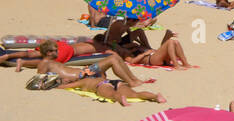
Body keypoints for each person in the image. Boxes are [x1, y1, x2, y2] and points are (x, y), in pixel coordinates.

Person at [10, 41, 150, 86]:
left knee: (116, 58)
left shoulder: (50, 61)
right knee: (113, 59)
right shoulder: (43, 64)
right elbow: (38, 82)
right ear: (47, 53)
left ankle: (133, 80)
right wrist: (62, 82)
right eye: (54, 51)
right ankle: (131, 82)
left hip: (83, 72)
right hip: (81, 75)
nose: (57, 52)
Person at [58, 74, 164, 106]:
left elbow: (66, 87)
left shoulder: (84, 81)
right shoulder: (96, 77)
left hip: (102, 85)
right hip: (116, 82)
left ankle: (120, 99)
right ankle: (155, 96)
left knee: (113, 94)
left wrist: (57, 86)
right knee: (136, 94)